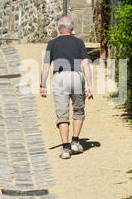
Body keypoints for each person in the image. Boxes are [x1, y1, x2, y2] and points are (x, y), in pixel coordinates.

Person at [39, 15, 94, 160]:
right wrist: (89, 85)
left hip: (60, 77)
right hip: (76, 75)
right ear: (72, 27)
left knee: (62, 113)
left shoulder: (52, 43)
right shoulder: (79, 42)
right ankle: (75, 141)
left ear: (58, 28)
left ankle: (65, 148)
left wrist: (42, 85)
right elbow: (85, 64)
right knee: (78, 109)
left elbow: (46, 66)